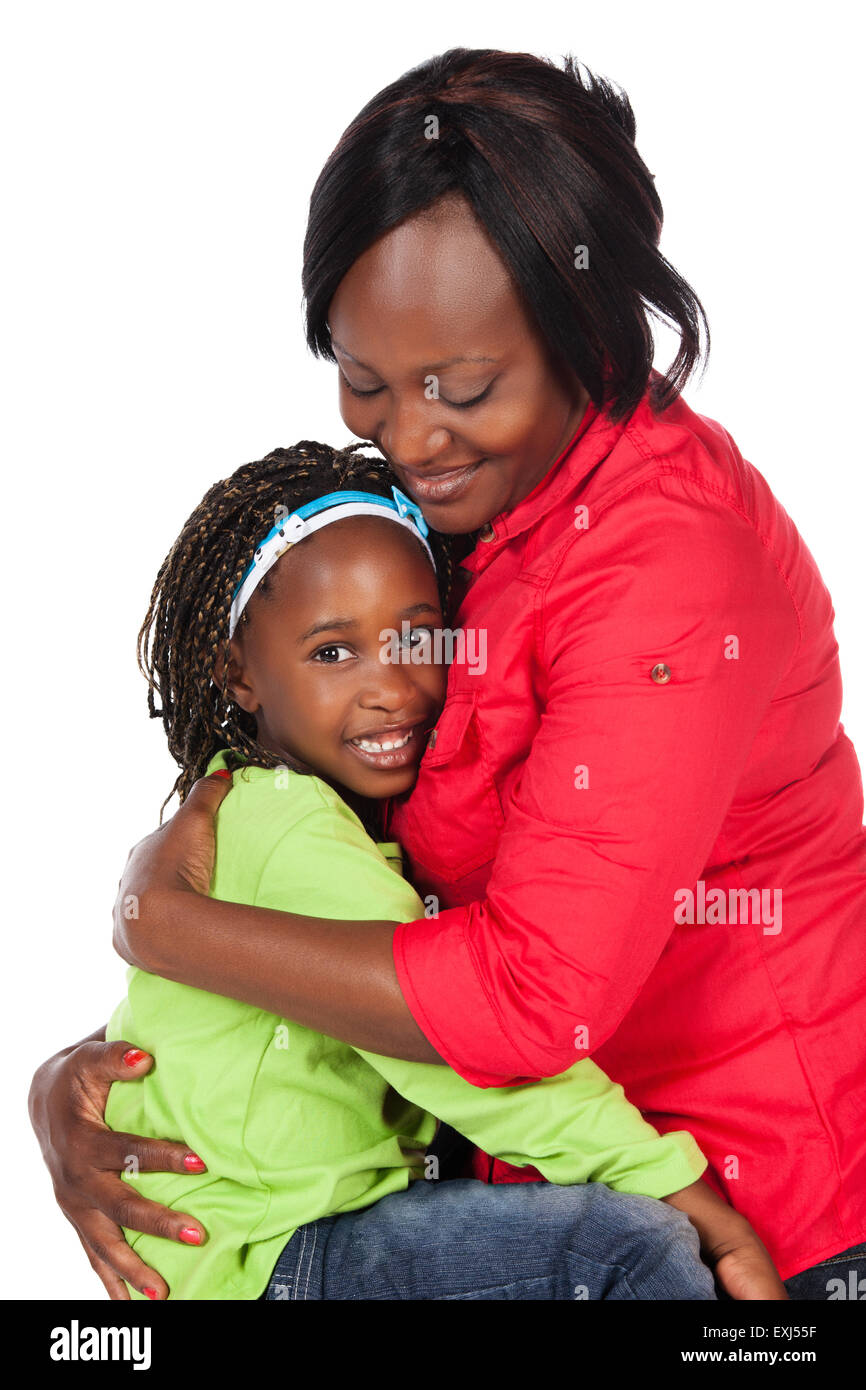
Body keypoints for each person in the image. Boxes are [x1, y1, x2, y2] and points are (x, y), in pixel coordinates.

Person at [29, 49, 866, 1299]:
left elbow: (526, 1000)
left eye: (461, 388)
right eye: (365, 382)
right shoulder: (441, 522)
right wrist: (91, 1071)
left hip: (758, 1227)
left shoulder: (671, 567)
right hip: (513, 1196)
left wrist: (171, 926)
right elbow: (356, 896)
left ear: (585, 332)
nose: (409, 440)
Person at [101, 438, 776, 1301]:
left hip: (284, 1235)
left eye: (416, 638)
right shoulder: (289, 827)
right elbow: (460, 1052)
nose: (396, 688)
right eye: (333, 653)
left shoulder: (286, 811)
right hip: (267, 1257)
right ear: (238, 675)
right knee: (626, 1250)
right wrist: (700, 1203)